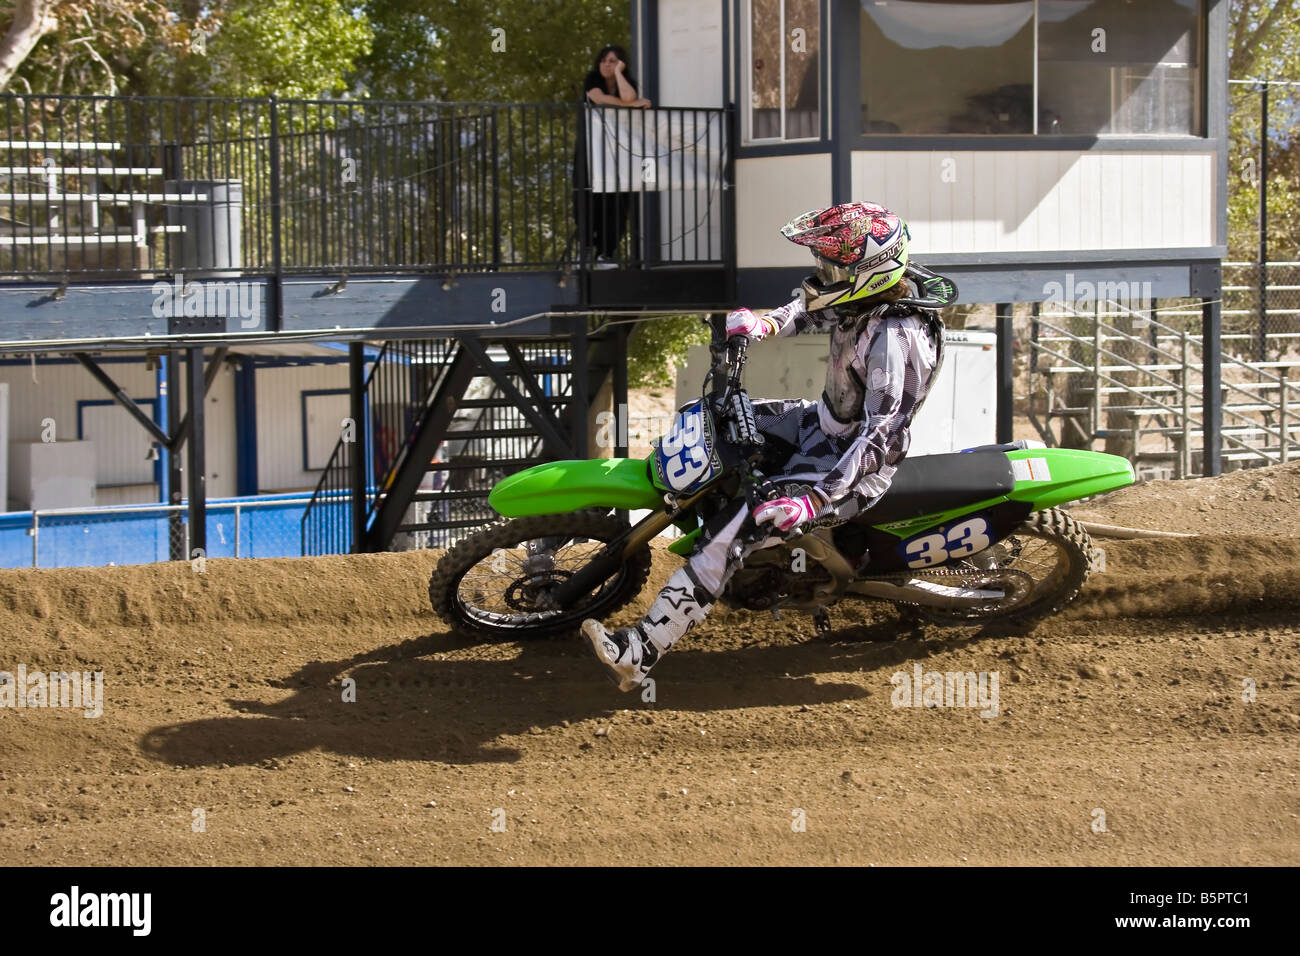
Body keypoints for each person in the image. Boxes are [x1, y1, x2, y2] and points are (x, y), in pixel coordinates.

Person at [581, 201, 952, 691]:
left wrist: (813, 499)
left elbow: (880, 435)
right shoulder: (863, 295)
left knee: (740, 526)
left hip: (852, 468)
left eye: (832, 265)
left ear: (869, 273)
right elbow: (809, 305)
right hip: (822, 422)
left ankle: (640, 652)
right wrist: (764, 325)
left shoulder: (897, 339)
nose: (822, 273)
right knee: (718, 418)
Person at [573, 45, 651, 268]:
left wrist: (619, 76)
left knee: (617, 202)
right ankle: (586, 250)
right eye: (605, 61)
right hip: (590, 150)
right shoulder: (592, 79)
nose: (607, 65)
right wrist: (632, 105)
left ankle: (605, 253)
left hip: (618, 153)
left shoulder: (626, 82)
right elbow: (598, 99)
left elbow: (629, 95)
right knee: (587, 198)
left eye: (614, 61)